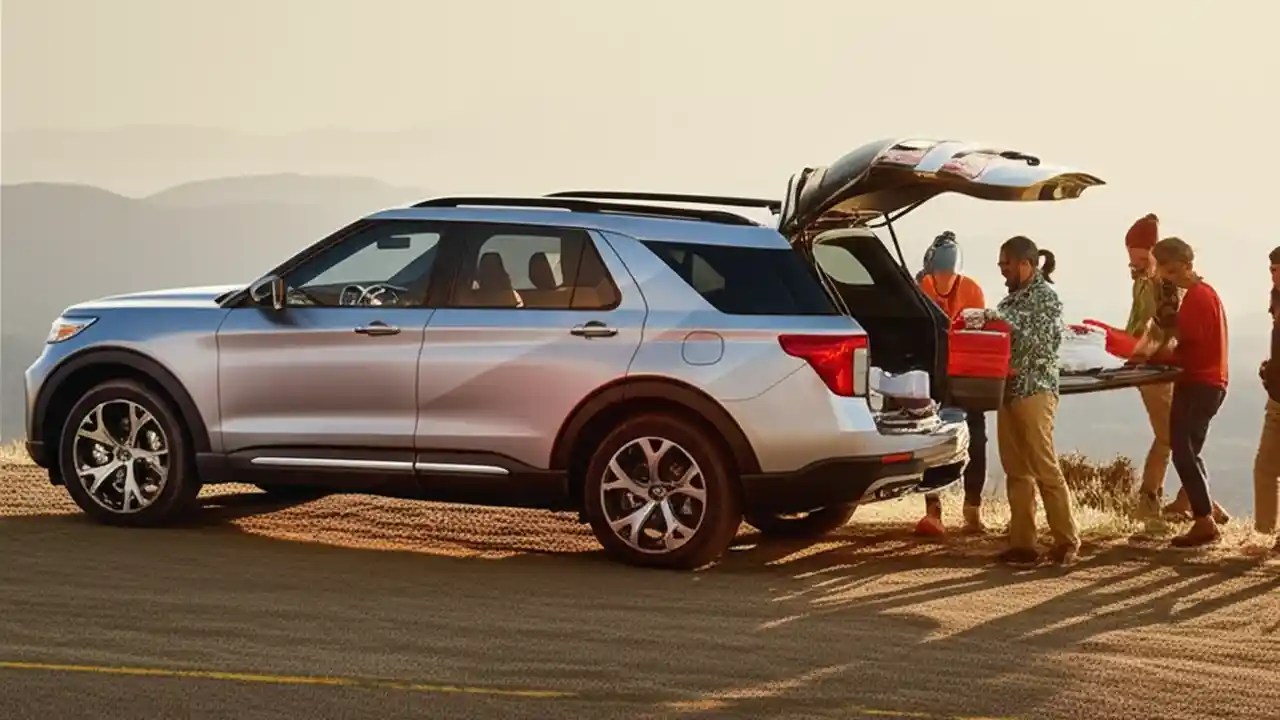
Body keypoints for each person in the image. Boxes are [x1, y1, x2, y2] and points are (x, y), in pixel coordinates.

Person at [966, 236, 1080, 566]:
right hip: (1008, 390)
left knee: (1044, 465)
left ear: (1025, 265)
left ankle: (1066, 540)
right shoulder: (1010, 301)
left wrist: (994, 319)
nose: (1002, 271)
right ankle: (1023, 544)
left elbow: (1038, 340)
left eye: (1006, 264)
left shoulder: (1046, 299)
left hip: (1035, 390)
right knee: (1016, 469)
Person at [1134, 237, 1229, 548]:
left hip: (1200, 382)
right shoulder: (1204, 294)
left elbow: (1190, 348)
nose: (1168, 279)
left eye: (1173, 272)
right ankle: (1204, 509)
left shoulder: (1199, 299)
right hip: (1207, 382)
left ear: (1188, 266)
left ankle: (1204, 520)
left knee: (1182, 450)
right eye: (1164, 273)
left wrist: (1156, 357)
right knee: (1189, 451)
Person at [913, 231, 990, 536]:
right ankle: (933, 512)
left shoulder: (971, 289)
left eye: (949, 273)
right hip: (933, 373)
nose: (945, 279)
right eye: (940, 273)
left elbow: (979, 329)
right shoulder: (920, 286)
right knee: (933, 441)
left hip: (966, 372)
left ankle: (973, 510)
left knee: (976, 438)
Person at [1254, 246, 1280, 551]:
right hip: (1276, 399)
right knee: (1265, 469)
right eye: (1271, 269)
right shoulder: (1276, 298)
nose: (1273, 275)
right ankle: (1262, 537)